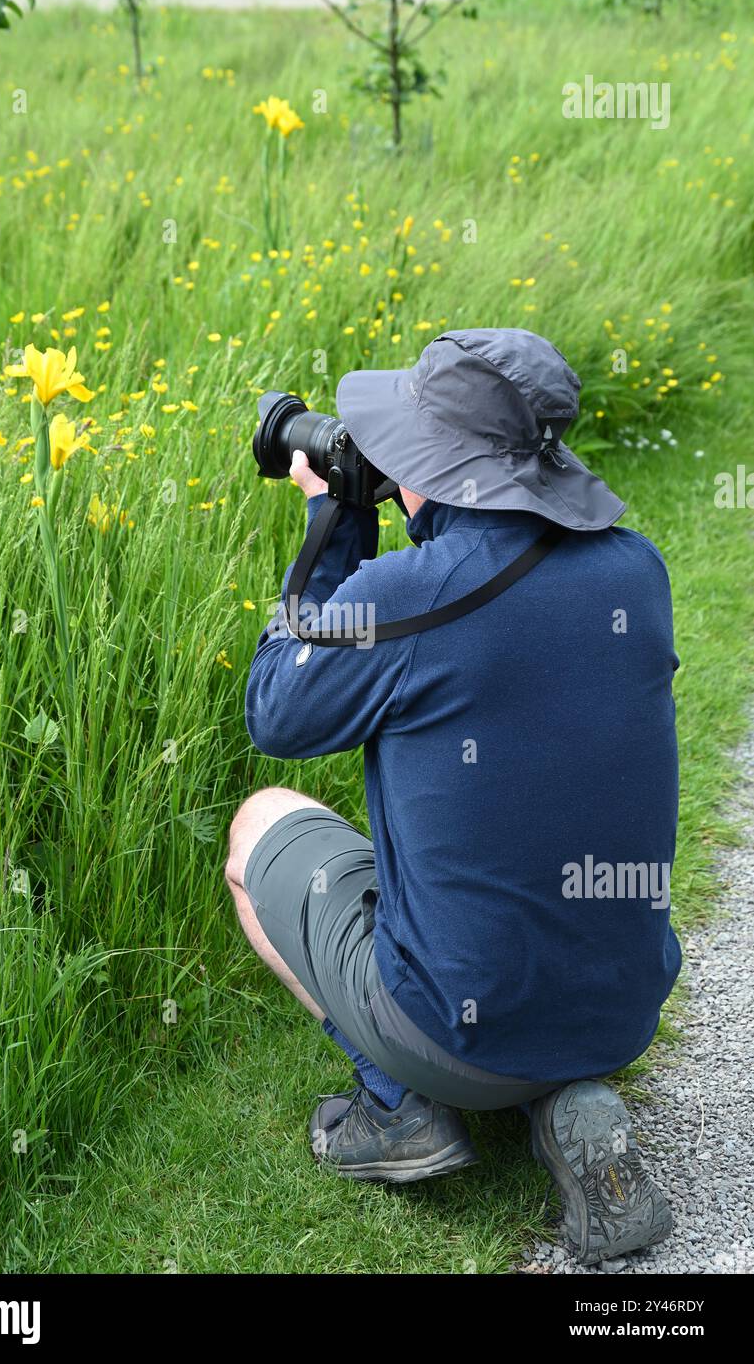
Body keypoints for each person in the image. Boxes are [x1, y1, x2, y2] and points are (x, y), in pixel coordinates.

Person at [224, 329, 679, 1265]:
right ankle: (568, 1091)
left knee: (259, 823)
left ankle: (401, 1106)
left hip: (459, 1028)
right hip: (622, 1005)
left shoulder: (411, 596)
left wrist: (336, 521)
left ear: (436, 461)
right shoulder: (636, 568)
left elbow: (275, 707)